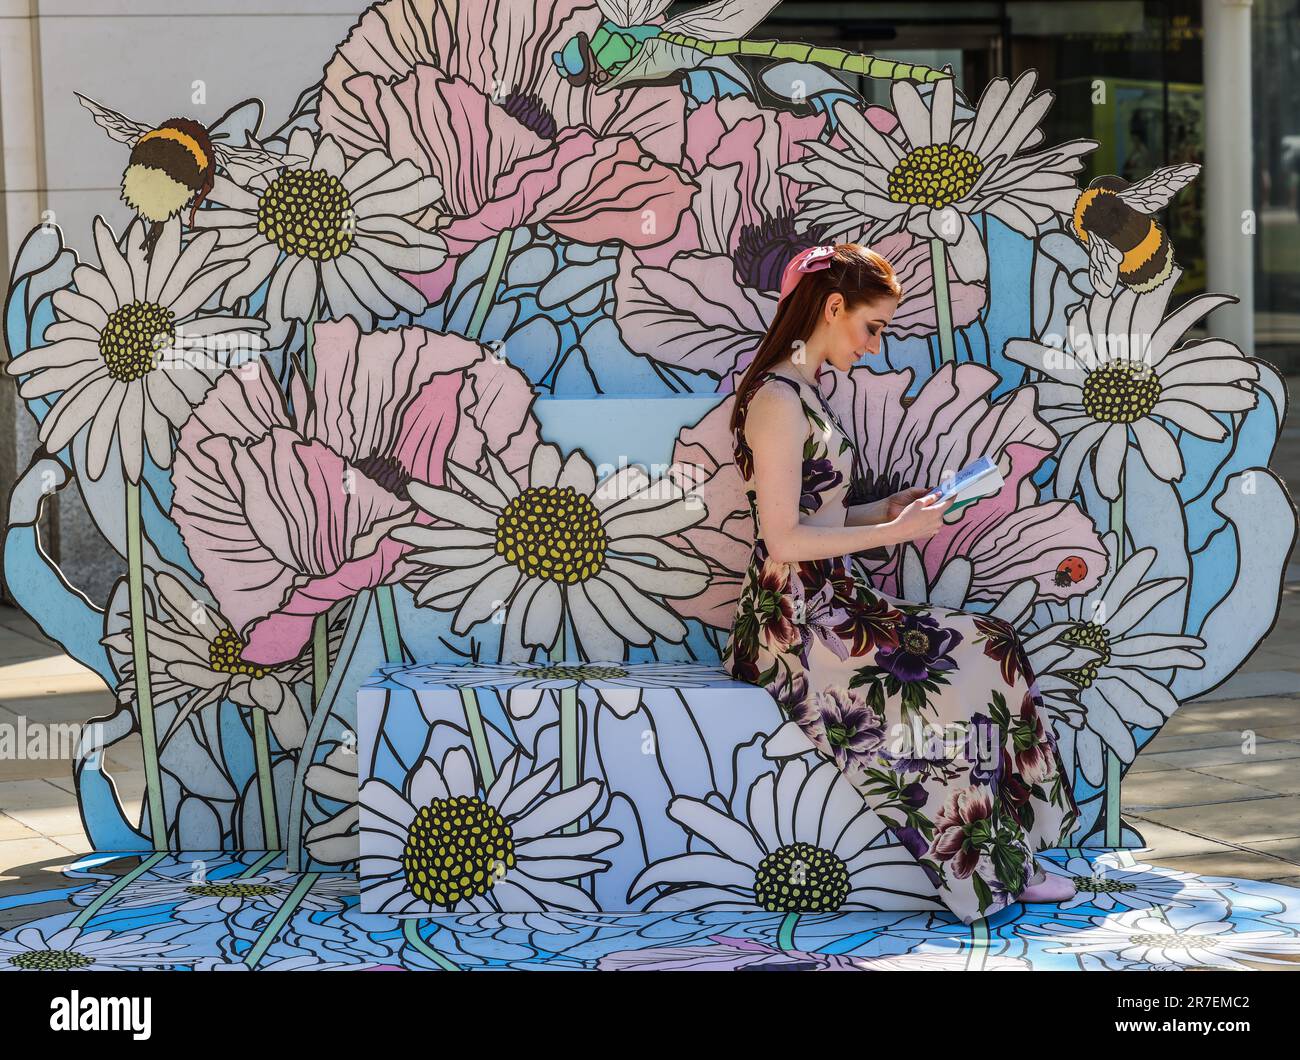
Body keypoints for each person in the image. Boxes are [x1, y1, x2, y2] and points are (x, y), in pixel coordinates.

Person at [723, 242, 1080, 924]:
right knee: (937, 689)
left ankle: (1020, 848)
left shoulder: (800, 390)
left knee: (992, 643)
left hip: (833, 602)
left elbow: (813, 514)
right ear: (833, 308)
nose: (876, 343)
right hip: (794, 627)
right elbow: (782, 540)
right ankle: (990, 866)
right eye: (873, 326)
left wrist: (883, 510)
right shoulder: (777, 400)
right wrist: (894, 535)